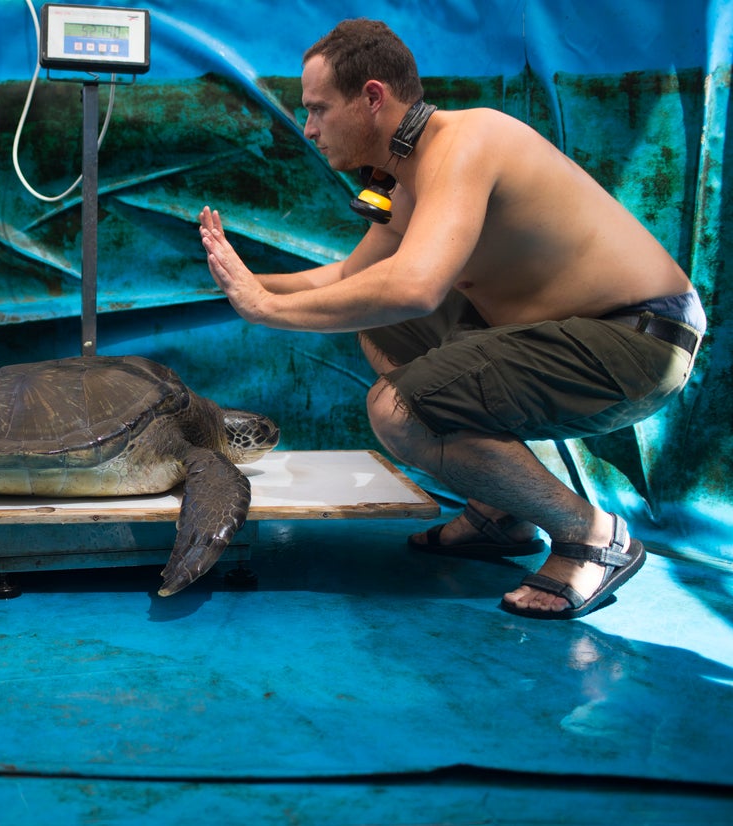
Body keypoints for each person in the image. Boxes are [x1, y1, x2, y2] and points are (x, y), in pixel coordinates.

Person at [198, 19, 704, 620]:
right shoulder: (404, 175)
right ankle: (500, 514)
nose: (308, 128)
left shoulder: (467, 141)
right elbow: (352, 278)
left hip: (639, 339)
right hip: (562, 334)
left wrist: (270, 310)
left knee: (398, 411)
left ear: (372, 98)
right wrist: (243, 282)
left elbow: (414, 287)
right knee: (376, 319)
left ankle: (594, 537)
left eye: (317, 109)